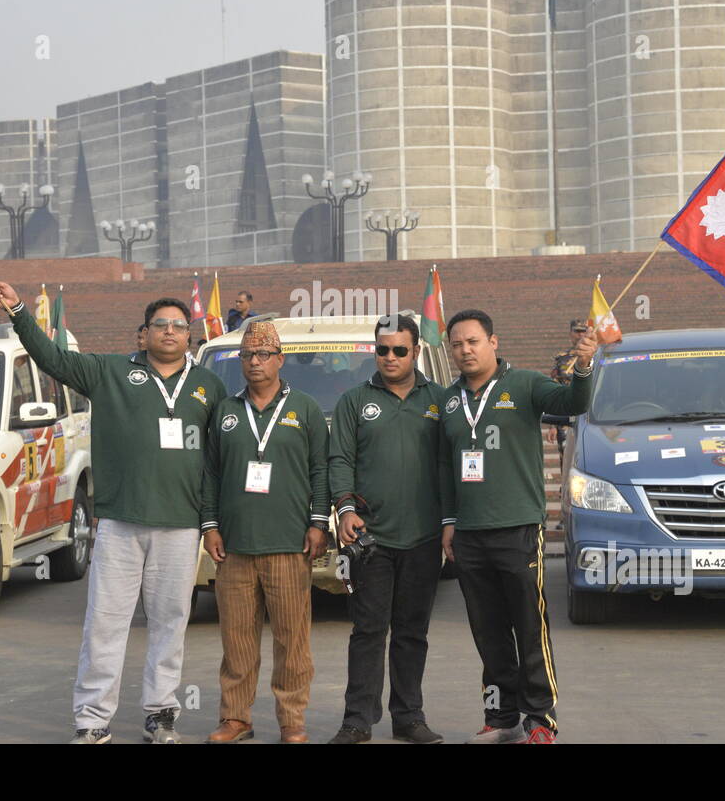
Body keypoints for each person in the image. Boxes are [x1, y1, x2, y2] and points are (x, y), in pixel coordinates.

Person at [0, 278, 227, 745]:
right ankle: (93, 719)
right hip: (119, 522)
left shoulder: (208, 386)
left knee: (170, 624)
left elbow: (218, 460)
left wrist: (212, 521)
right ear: (143, 334)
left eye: (178, 326)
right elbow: (53, 358)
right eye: (160, 324)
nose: (170, 331)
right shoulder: (109, 371)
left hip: (181, 524)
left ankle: (161, 715)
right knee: (105, 624)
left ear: (189, 336)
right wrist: (17, 312)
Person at [439, 309, 596, 744]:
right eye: (457, 344)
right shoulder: (449, 401)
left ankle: (541, 720)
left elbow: (573, 404)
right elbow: (445, 466)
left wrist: (583, 367)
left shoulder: (525, 384)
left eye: (473, 341)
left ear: (493, 342)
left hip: (518, 529)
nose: (465, 350)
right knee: (487, 631)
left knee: (529, 628)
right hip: (469, 534)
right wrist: (449, 522)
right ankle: (501, 717)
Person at [201, 321, 329, 744]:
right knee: (237, 639)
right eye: (247, 355)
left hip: (289, 544)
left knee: (292, 640)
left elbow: (320, 470)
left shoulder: (305, 409)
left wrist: (318, 523)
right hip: (235, 546)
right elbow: (211, 473)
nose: (254, 362)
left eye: (263, 355)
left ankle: (292, 721)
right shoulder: (226, 411)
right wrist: (210, 526)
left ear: (280, 359)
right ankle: (235, 717)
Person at [326, 314, 450, 745]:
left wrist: (451, 521)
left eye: (400, 350)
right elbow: (340, 460)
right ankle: (357, 721)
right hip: (371, 538)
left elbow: (451, 462)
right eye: (382, 350)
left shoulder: (441, 400)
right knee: (368, 632)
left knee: (412, 633)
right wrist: (344, 509)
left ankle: (409, 718)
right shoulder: (354, 401)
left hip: (423, 536)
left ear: (416, 352)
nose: (390, 357)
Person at [542, 319, 589, 450]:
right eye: (577, 331)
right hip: (565, 419)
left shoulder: (596, 357)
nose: (580, 335)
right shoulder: (562, 359)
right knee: (566, 456)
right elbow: (553, 391)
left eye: (583, 331)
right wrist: (552, 425)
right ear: (570, 333)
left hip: (590, 417)